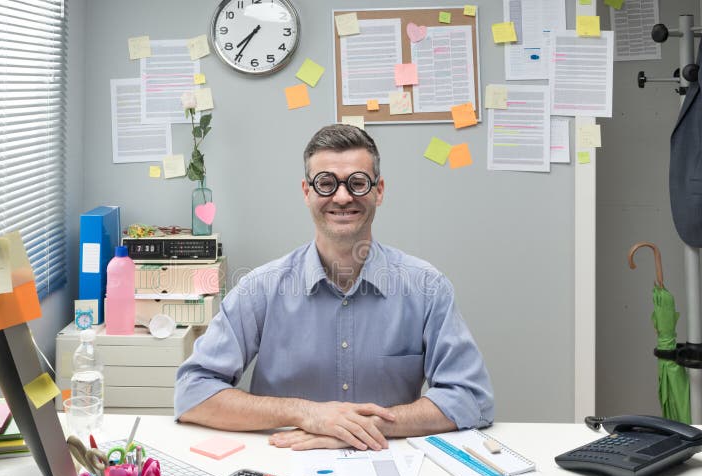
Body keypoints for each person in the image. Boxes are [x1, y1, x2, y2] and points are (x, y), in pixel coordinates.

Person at [174, 124, 493, 451]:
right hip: (282, 467)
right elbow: (193, 392)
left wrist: (357, 427)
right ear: (306, 191)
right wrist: (305, 413)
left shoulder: (427, 288)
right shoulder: (261, 288)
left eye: (358, 183)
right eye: (326, 183)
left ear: (379, 190)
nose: (342, 197)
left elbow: (471, 397)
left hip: (389, 467)